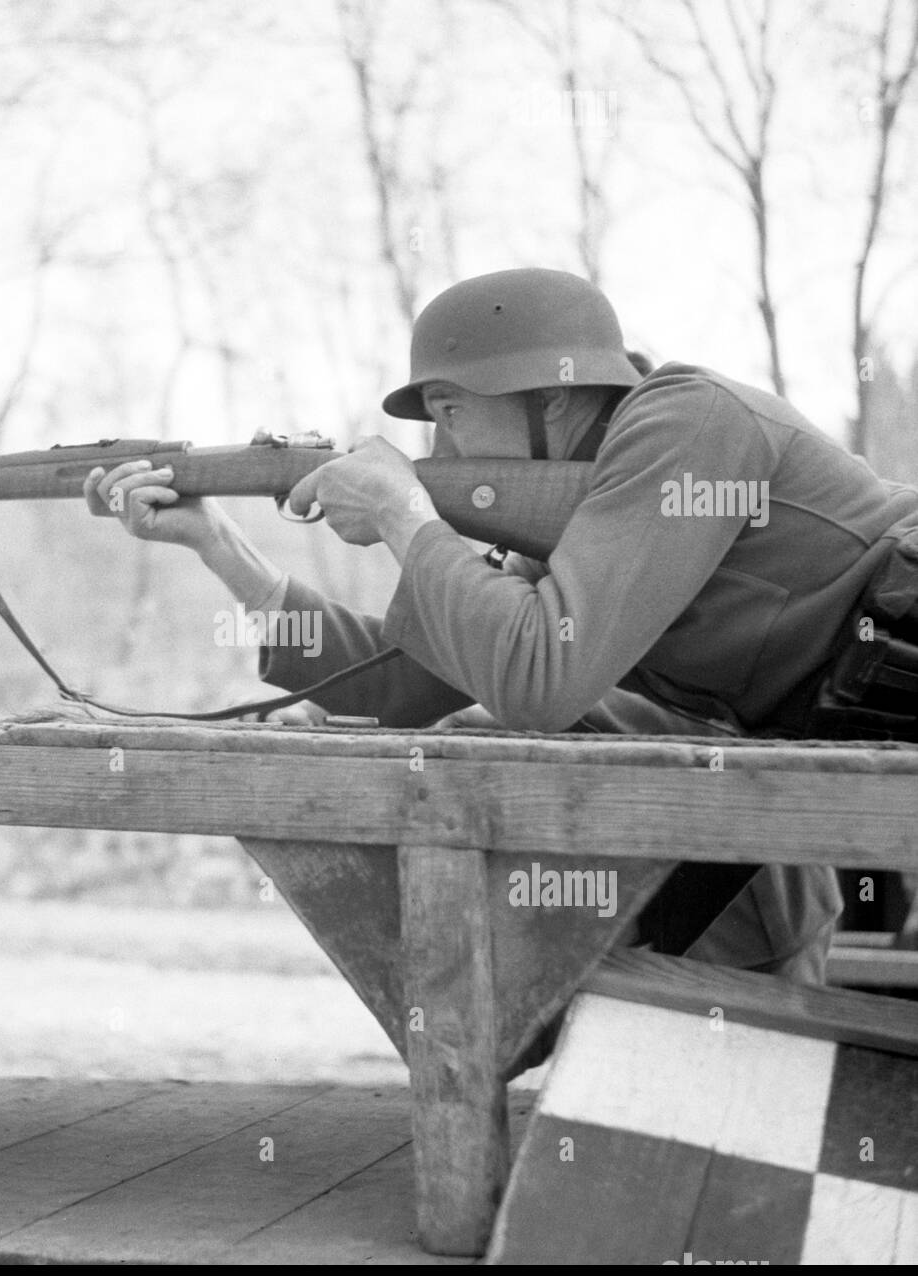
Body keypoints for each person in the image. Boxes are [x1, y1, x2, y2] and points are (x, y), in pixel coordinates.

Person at [84, 267, 918, 986]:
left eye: (449, 412)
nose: (436, 450)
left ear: (551, 397)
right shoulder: (578, 517)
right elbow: (403, 683)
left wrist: (407, 516)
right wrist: (216, 544)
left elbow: (539, 682)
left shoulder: (690, 420)